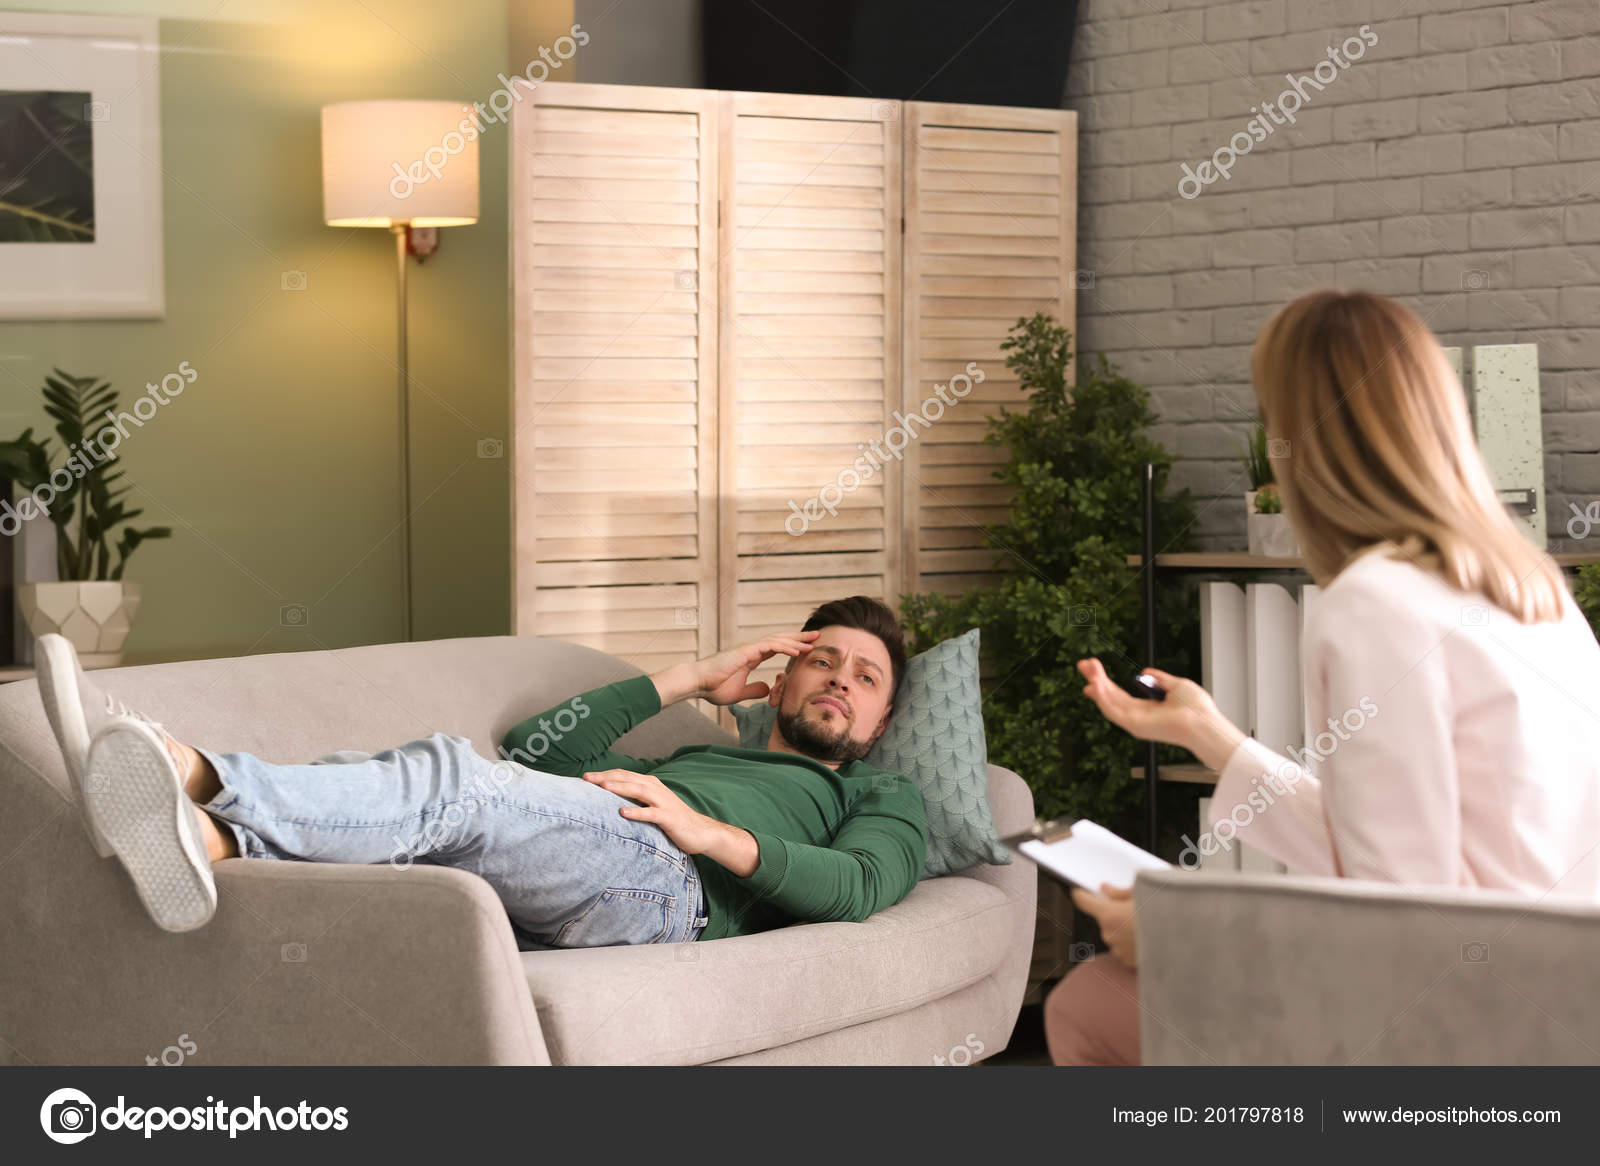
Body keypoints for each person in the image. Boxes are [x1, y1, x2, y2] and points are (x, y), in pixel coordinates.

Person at [1043, 289, 1600, 1065]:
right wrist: (1213, 736)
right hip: (1563, 1001)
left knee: (1088, 1003)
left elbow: (1396, 918)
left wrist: (1177, 929)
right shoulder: (1534, 591)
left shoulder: (1372, 601)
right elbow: (1408, 860)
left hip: (1471, 1027)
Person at [36, 595, 927, 949]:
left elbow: (858, 886)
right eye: (823, 659)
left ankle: (184, 765)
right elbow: (545, 748)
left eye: (866, 676)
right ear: (785, 678)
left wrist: (701, 832)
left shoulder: (878, 794)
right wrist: (692, 678)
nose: (840, 679)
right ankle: (208, 836)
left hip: (674, 885)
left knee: (462, 780)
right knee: (409, 809)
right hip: (615, 844)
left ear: (883, 718)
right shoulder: (701, 754)